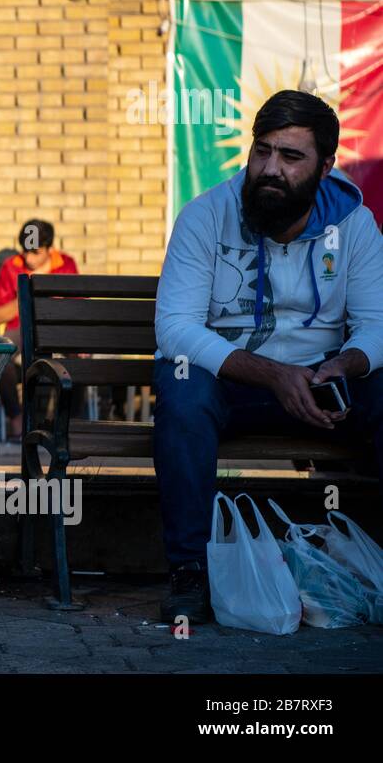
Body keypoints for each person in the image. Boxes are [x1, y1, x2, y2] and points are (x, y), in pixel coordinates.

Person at [153, 89, 383, 624]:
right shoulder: (205, 216)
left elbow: (376, 325)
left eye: (291, 156)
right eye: (263, 150)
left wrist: (344, 365)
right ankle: (190, 570)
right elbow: (175, 328)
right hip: (229, 383)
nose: (271, 168)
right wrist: (274, 375)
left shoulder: (354, 225)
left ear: (325, 166)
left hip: (321, 384)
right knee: (182, 387)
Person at [0, 219, 79, 439]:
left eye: (36, 253)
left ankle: (68, 422)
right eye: (26, 252)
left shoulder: (66, 264)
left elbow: (77, 306)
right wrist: (27, 292)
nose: (29, 259)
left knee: (80, 355)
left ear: (50, 249)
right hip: (20, 328)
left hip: (58, 327)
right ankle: (16, 418)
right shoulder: (11, 266)